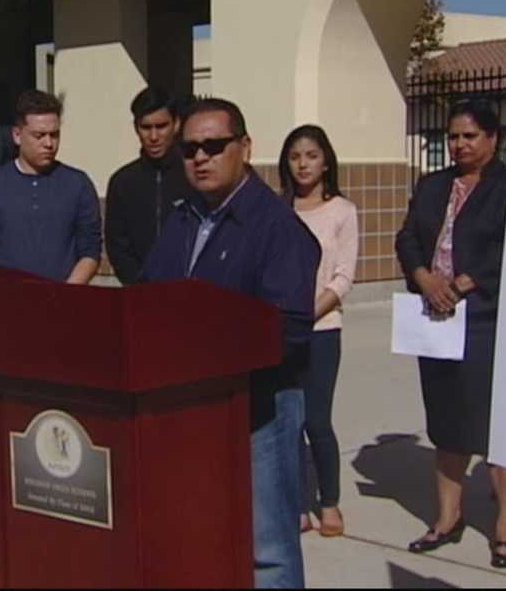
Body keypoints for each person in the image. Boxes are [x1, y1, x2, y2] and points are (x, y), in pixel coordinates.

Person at [139, 98, 320, 588]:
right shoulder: (182, 219)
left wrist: (204, 348)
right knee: (198, 533)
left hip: (260, 409)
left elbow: (287, 331)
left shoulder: (278, 229)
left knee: (269, 549)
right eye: (190, 148)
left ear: (245, 147)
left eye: (214, 146)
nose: (200, 157)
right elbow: (148, 297)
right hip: (187, 409)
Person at [394, 99, 506, 569]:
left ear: (493, 138)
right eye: (453, 136)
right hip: (436, 320)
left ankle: (505, 522)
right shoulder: (433, 185)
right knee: (447, 421)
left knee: (495, 424)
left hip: (485, 317)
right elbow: (407, 237)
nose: (460, 144)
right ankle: (447, 518)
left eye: (470, 136)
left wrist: (467, 282)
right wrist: (425, 278)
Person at [277, 124, 358, 539]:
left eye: (311, 155)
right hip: (280, 334)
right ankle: (295, 505)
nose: (303, 164)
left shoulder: (343, 211)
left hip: (322, 330)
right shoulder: (278, 211)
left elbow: (343, 278)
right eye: (295, 156)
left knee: (316, 421)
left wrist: (306, 315)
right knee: (286, 421)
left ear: (326, 160)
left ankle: (329, 503)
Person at [0, 90, 102, 283]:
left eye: (54, 135)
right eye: (39, 135)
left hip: (65, 299)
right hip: (9, 299)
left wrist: (66, 293)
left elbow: (90, 250)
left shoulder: (78, 184)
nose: (49, 143)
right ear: (17, 135)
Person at [105, 87, 193, 285]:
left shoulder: (194, 175)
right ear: (136, 128)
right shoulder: (122, 182)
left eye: (161, 126)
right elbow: (117, 245)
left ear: (176, 124)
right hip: (140, 294)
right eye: (146, 127)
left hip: (190, 292)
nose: (154, 137)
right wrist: (139, 285)